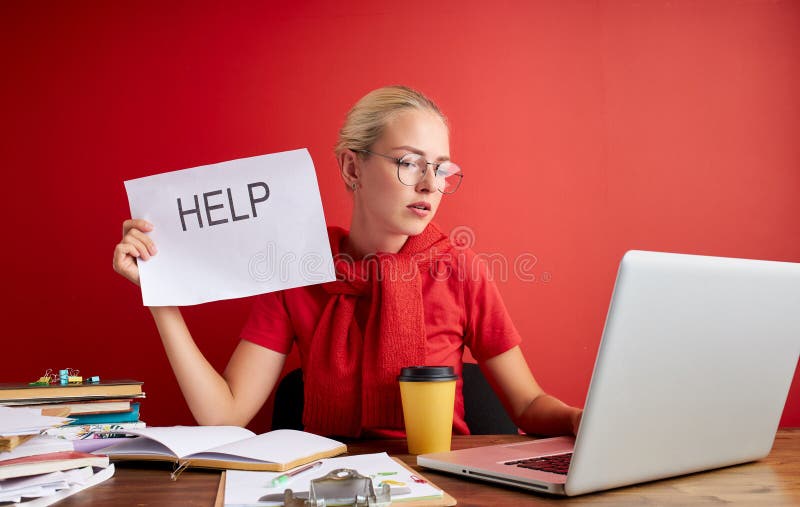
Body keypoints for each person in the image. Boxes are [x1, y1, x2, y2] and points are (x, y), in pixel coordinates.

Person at [113, 85, 582, 438]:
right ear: (352, 168)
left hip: (439, 486)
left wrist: (585, 421)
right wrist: (161, 293)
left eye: (440, 168)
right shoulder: (295, 268)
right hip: (328, 486)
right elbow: (225, 415)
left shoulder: (460, 271)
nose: (429, 185)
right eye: (408, 162)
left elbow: (529, 405)